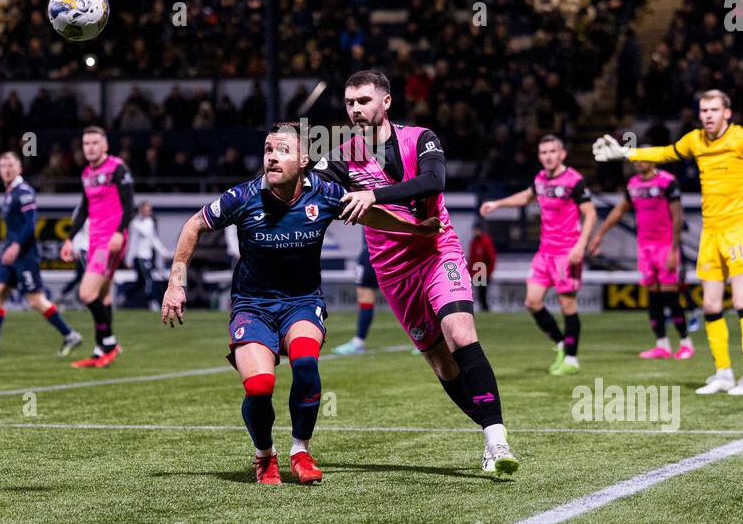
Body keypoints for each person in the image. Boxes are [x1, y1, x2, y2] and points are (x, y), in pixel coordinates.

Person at [162, 123, 439, 485]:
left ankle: (300, 451)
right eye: (268, 150)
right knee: (259, 386)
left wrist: (415, 229)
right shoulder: (242, 197)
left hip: (302, 302)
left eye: (283, 151)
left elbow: (369, 214)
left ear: (304, 160)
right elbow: (194, 225)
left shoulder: (325, 193)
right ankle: (264, 455)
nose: (272, 157)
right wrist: (175, 283)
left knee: (305, 363)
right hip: (252, 305)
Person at [315, 70, 519, 476]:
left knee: (460, 333)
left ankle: (497, 440)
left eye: (364, 101)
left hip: (437, 251)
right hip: (393, 272)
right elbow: (311, 187)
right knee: (443, 365)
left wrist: (373, 194)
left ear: (386, 102)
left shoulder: (421, 138)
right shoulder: (341, 156)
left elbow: (433, 180)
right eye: (350, 102)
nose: (355, 109)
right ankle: (486, 431)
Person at [594, 89, 743, 395]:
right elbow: (665, 153)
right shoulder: (695, 140)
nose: (708, 115)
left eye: (714, 110)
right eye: (704, 110)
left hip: (738, 231)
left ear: (727, 113)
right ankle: (723, 373)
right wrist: (626, 153)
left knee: (742, 301)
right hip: (710, 234)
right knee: (710, 304)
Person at [480, 135, 597, 376]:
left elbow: (591, 214)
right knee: (532, 302)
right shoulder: (541, 179)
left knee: (567, 305)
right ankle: (562, 344)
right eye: (544, 152)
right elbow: (526, 196)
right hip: (545, 252)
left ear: (562, 154)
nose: (548, 156)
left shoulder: (574, 180)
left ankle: (572, 360)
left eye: (553, 151)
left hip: (567, 252)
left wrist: (581, 245)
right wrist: (497, 204)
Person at [0, 151, 81, 357]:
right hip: (10, 254)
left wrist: (17, 246)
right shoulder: (10, 192)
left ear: (20, 168)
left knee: (35, 300)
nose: (7, 169)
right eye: (3, 166)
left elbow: (30, 223)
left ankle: (70, 334)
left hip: (24, 255)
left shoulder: (24, 191)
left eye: (11, 165)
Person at [588, 156, 694, 359]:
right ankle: (662, 345)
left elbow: (677, 216)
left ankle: (685, 343)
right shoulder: (633, 184)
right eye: (636, 159)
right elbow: (619, 210)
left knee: (670, 297)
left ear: (654, 161)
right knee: (653, 298)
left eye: (643, 159)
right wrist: (599, 235)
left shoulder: (667, 182)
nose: (638, 163)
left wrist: (674, 249)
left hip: (665, 246)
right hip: (645, 248)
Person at [60, 126, 134, 367]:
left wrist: (119, 232)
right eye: (86, 144)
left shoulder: (117, 168)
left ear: (105, 146)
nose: (90, 148)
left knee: (86, 293)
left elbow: (129, 205)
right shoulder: (86, 173)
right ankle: (100, 349)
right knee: (102, 295)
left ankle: (109, 343)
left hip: (110, 240)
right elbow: (84, 209)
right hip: (95, 239)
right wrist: (70, 239)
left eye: (94, 143)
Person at [331, 233, 378, 355]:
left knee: (409, 292)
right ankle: (358, 342)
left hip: (389, 246)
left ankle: (422, 336)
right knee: (365, 293)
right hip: (371, 248)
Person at [125, 200, 172, 309]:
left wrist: (163, 252)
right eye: (147, 209)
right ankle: (152, 302)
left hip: (148, 256)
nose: (149, 211)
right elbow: (133, 242)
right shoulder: (135, 224)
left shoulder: (150, 222)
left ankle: (125, 296)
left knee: (140, 282)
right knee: (148, 279)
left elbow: (153, 239)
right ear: (141, 209)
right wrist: (129, 259)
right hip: (139, 257)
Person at [468, 222, 497, 312]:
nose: (476, 232)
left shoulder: (486, 241)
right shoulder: (473, 242)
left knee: (483, 293)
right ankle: (483, 309)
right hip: (476, 271)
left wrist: (489, 272)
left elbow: (491, 257)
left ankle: (485, 309)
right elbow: (471, 259)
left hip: (483, 271)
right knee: (479, 294)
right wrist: (470, 272)